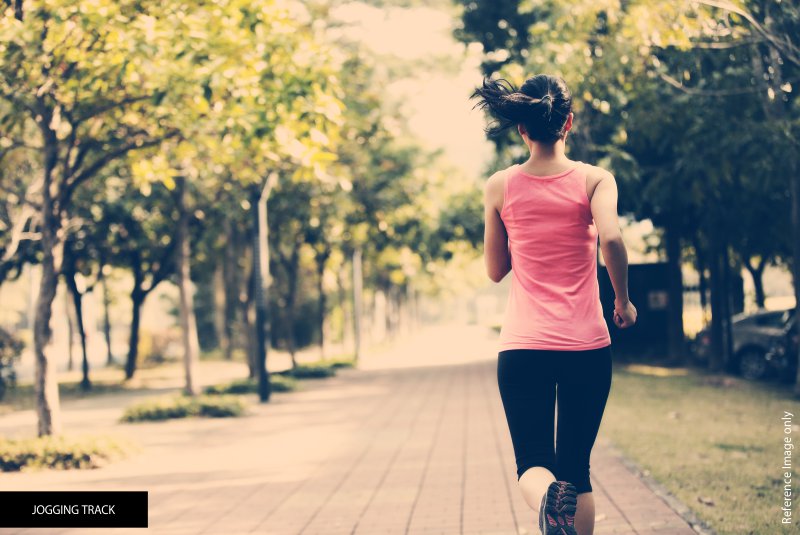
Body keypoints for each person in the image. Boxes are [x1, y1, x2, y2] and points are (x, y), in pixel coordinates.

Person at [473, 74, 637, 535]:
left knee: (532, 464)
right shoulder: (595, 180)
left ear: (523, 128)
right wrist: (623, 301)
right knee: (576, 472)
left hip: (524, 348)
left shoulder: (500, 186)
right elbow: (614, 238)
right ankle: (558, 496)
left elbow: (495, 269)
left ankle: (547, 498)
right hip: (587, 346)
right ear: (569, 122)